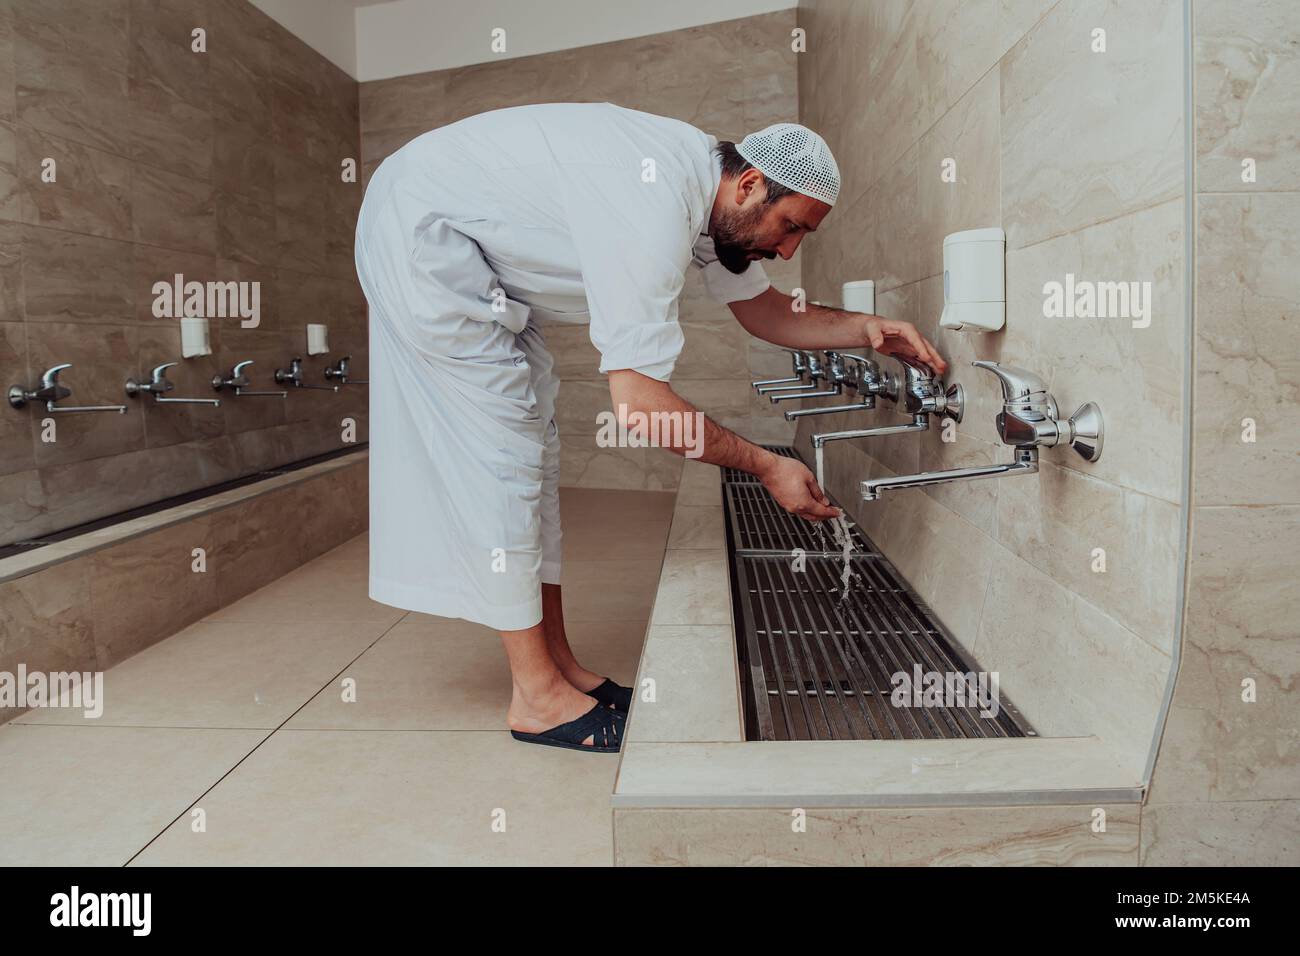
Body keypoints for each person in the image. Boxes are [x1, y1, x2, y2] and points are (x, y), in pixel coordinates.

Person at [354, 104, 947, 754]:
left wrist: (867, 331)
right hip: (420, 238)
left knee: (534, 455)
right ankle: (538, 699)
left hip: (467, 253)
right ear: (749, 184)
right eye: (790, 227)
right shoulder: (655, 203)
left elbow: (765, 311)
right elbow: (639, 407)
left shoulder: (709, 197)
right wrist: (766, 465)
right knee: (502, 460)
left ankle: (560, 667)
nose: (786, 249)